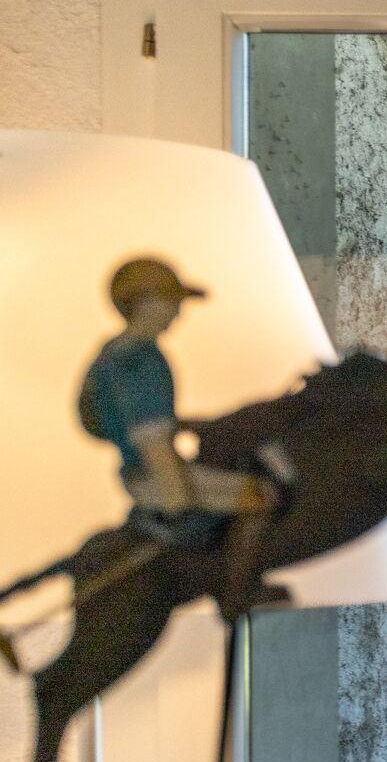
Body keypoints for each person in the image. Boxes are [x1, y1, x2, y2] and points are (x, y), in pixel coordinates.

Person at [78, 257, 287, 620]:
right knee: (263, 494)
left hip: (144, 472)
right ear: (144, 303)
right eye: (171, 301)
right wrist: (179, 506)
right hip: (158, 479)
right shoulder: (140, 361)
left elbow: (131, 424)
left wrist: (188, 425)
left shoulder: (113, 355)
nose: (177, 313)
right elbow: (152, 442)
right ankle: (236, 595)